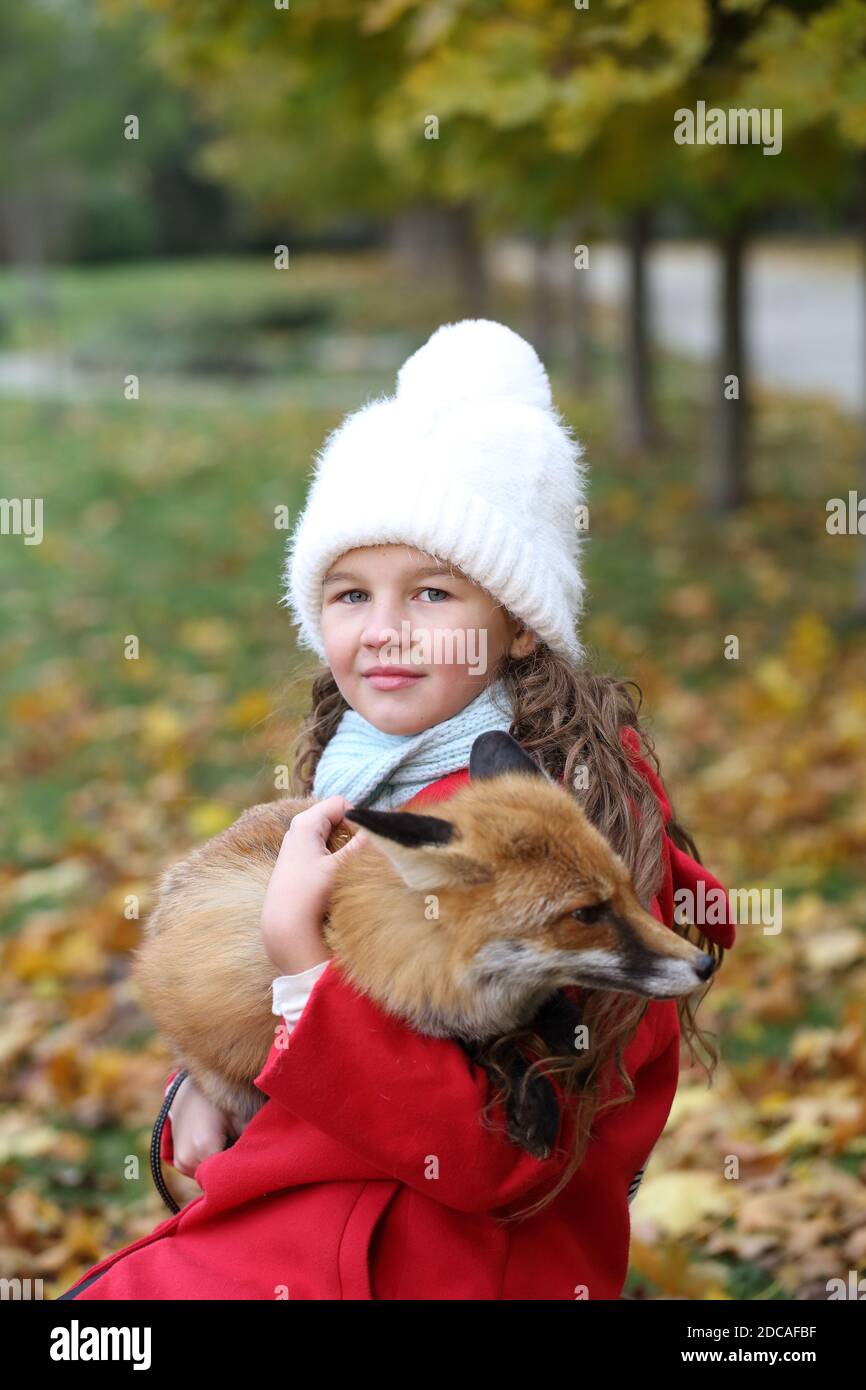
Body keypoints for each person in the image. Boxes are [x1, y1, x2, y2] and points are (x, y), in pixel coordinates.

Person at [59, 318, 733, 1300]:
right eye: (347, 594)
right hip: (311, 1234)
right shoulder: (368, 778)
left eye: (429, 593)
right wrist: (199, 1083)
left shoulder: (568, 846)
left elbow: (504, 1159)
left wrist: (300, 973)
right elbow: (280, 1012)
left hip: (427, 1268)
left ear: (513, 629)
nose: (381, 633)